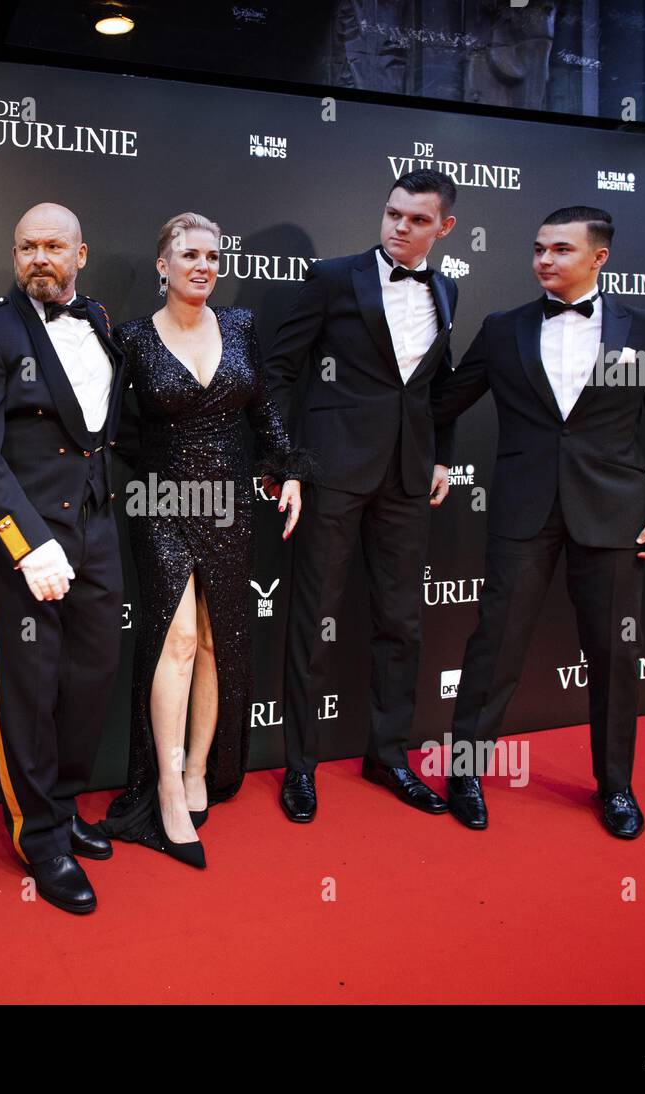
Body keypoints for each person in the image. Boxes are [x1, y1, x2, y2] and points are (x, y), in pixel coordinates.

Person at [431, 205, 645, 839]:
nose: (543, 260)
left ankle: (615, 786)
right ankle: (466, 773)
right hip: (524, 511)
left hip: (614, 516)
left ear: (598, 258)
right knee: (494, 644)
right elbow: (442, 402)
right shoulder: (504, 329)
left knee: (613, 653)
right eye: (538, 249)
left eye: (559, 250)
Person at [97, 212, 307, 867]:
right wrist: (161, 473)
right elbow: (116, 430)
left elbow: (263, 408)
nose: (203, 266)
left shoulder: (240, 327)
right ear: (162, 264)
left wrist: (286, 468)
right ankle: (163, 785)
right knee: (176, 637)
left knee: (216, 640)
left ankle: (197, 774)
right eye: (189, 254)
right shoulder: (131, 339)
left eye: (213, 256)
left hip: (229, 505)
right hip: (163, 501)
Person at [263, 170, 460, 823]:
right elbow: (279, 371)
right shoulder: (331, 278)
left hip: (406, 477)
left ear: (444, 228)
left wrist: (444, 459)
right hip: (332, 473)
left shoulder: (447, 288)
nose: (400, 227)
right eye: (392, 213)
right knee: (313, 619)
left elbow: (437, 385)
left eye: (416, 219)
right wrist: (286, 461)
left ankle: (389, 757)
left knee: (401, 623)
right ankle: (300, 766)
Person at [0, 203, 127, 913]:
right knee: (29, 686)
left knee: (92, 677)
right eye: (26, 246)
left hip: (98, 527)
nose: (39, 258)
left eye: (54, 245)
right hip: (30, 541)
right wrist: (26, 544)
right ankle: (38, 837)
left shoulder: (103, 321)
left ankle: (65, 803)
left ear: (80, 254)